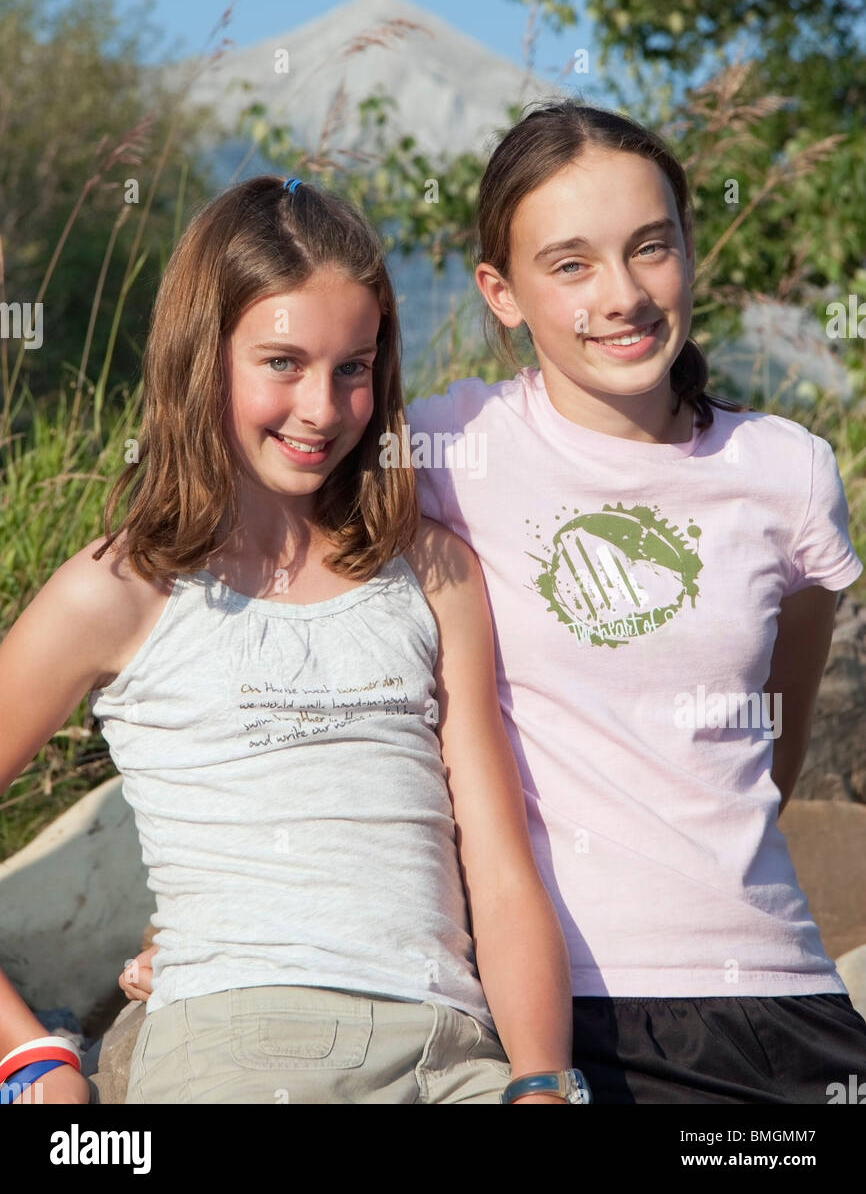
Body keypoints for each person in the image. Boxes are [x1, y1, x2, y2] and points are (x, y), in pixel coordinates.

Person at [0, 175, 577, 1106]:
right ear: (203, 357)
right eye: (282, 362)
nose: (322, 407)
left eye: (354, 367)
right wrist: (31, 1054)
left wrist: (543, 1079)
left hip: (456, 1047)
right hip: (241, 1042)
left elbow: (499, 867)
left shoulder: (435, 575)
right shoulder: (120, 589)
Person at [397, 99, 866, 1104]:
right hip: (557, 1008)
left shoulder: (784, 471)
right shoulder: (447, 447)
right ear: (501, 292)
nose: (621, 295)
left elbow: (771, 739)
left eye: (648, 248)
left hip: (777, 995)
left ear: (687, 252)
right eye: (568, 265)